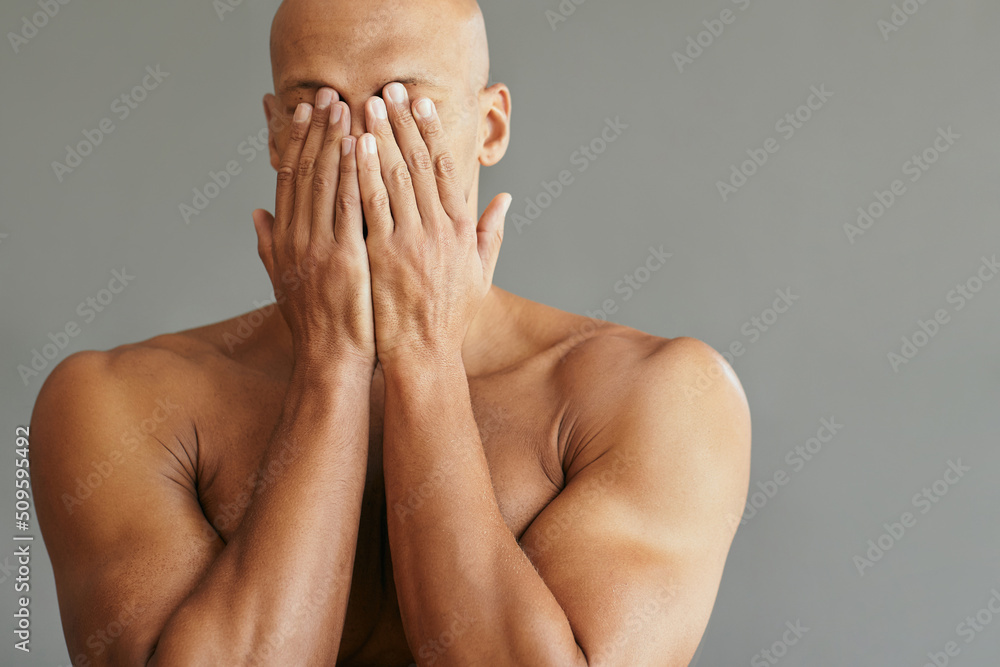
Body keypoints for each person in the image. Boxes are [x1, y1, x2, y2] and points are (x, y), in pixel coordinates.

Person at [30, 0, 751, 664]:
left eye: (403, 107)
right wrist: (332, 365)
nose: (361, 151)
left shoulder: (666, 396)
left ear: (490, 127)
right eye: (318, 108)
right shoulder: (109, 402)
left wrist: (424, 358)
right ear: (278, 134)